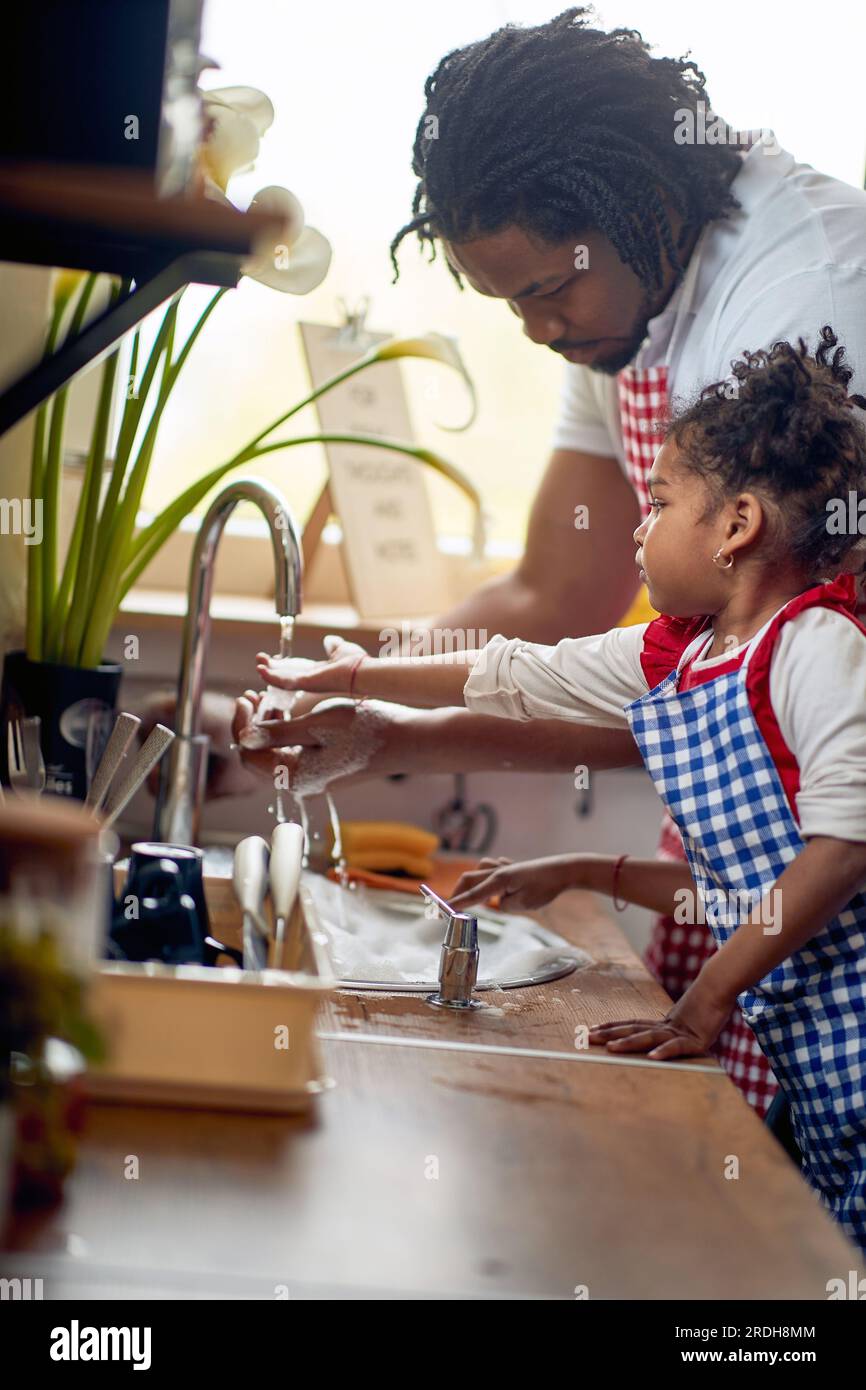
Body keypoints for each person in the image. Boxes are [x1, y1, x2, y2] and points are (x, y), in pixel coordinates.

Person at [218, 8, 866, 1118]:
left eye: (540, 293)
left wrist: (398, 720)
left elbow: (723, 695)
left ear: (639, 211)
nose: (533, 330)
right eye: (508, 299)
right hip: (739, 894)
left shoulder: (806, 303)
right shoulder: (617, 301)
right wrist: (359, 701)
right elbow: (551, 602)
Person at [241, 329, 866, 1249]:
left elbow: (844, 852)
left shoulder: (818, 648)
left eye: (657, 505)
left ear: (735, 526)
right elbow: (511, 672)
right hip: (818, 1063)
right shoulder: (685, 655)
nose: (637, 528)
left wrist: (710, 997)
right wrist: (353, 678)